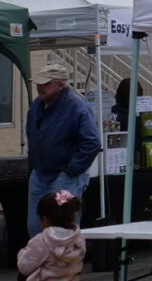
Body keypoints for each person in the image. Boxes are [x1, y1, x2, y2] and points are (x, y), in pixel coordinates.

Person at [26, 55, 102, 228]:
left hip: (64, 176)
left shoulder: (77, 107)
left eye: (45, 83)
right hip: (39, 174)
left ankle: (66, 255)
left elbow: (92, 142)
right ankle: (43, 255)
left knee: (64, 225)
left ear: (61, 84)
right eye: (38, 83)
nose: (39, 87)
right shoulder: (37, 105)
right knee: (35, 225)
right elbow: (31, 134)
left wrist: (71, 170)